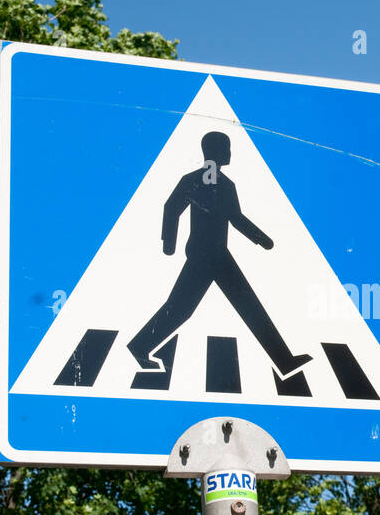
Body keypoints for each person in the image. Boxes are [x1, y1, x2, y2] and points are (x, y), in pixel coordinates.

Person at [126, 131, 313, 379]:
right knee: (186, 308)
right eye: (226, 149)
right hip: (204, 256)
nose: (229, 154)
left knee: (243, 306)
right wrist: (168, 244)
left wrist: (261, 239)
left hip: (217, 254)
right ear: (216, 152)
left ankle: (284, 360)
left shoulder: (220, 184)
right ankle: (139, 346)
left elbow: (234, 218)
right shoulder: (200, 181)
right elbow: (171, 208)